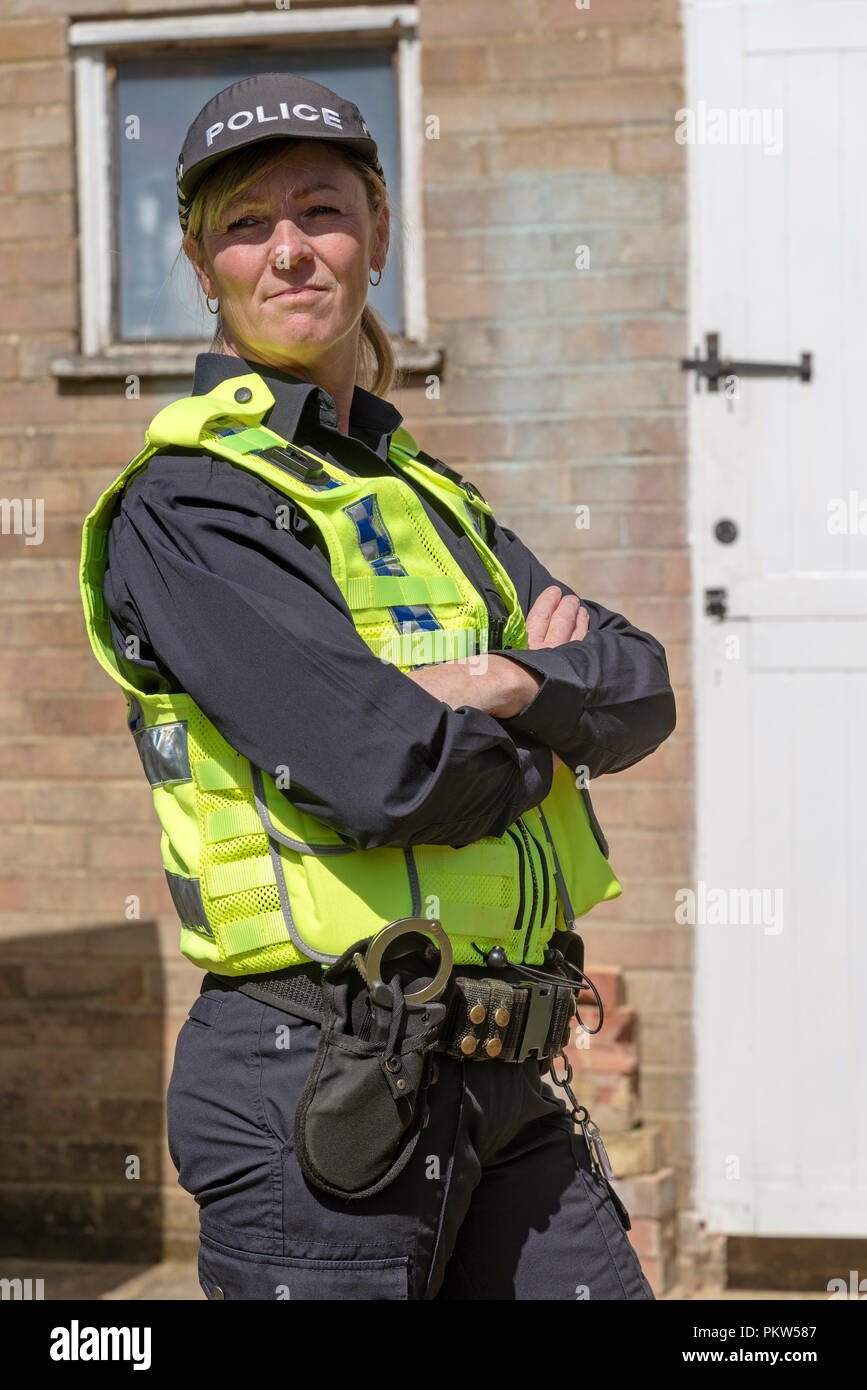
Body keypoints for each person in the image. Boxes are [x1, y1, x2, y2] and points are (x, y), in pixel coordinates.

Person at [79, 72, 676, 1300]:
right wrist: (552, 722)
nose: (289, 249)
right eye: (248, 223)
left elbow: (642, 684)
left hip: (514, 1075)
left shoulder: (424, 493)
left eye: (322, 210)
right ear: (203, 263)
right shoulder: (195, 500)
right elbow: (384, 771)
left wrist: (504, 683)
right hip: (327, 1076)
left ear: (379, 235)